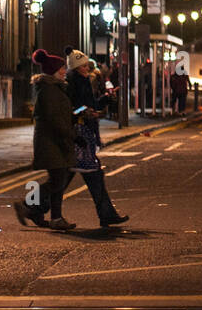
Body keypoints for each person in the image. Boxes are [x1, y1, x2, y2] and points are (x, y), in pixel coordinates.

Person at [12, 49, 80, 231]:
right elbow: (53, 119)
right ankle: (27, 205)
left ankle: (55, 217)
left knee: (60, 179)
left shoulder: (55, 87)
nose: (65, 71)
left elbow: (60, 115)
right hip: (51, 142)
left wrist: (74, 118)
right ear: (53, 71)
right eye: (61, 68)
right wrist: (73, 136)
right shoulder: (49, 90)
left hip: (57, 141)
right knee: (57, 181)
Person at [64, 51, 129, 227]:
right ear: (75, 68)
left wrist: (106, 99)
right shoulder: (71, 83)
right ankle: (107, 214)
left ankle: (34, 207)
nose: (88, 68)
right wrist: (84, 112)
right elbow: (71, 110)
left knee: (67, 177)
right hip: (78, 135)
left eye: (87, 65)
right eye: (84, 66)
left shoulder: (83, 81)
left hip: (85, 133)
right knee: (92, 175)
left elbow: (91, 106)